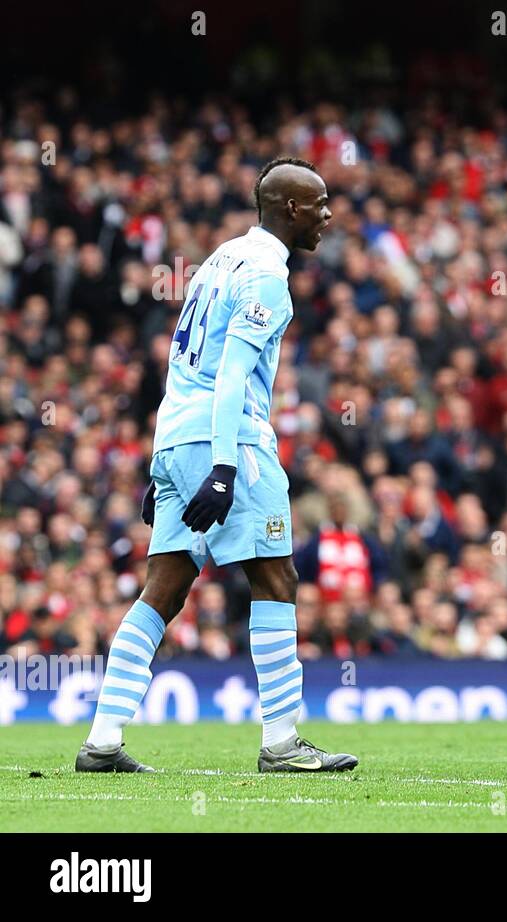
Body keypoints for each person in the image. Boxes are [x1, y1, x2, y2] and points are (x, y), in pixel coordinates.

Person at [75, 158, 357, 774]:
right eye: (320, 203)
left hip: (178, 434)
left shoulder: (218, 261)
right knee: (276, 580)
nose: (328, 214)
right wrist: (225, 468)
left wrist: (161, 463)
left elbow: (180, 366)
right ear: (289, 209)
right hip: (229, 441)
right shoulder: (265, 277)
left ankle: (101, 740)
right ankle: (283, 743)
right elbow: (229, 376)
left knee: (164, 587)